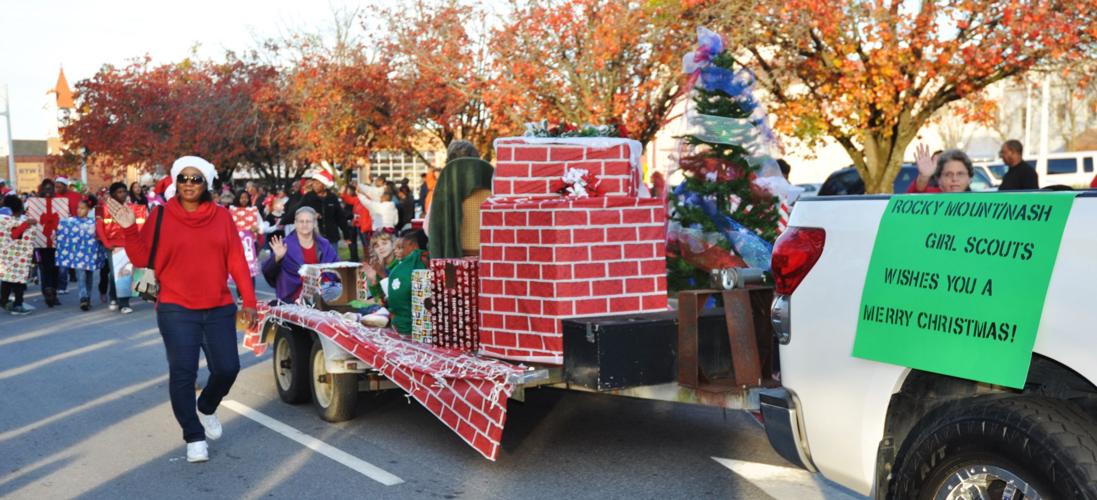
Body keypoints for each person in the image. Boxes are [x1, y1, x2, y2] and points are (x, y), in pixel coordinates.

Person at [107, 155, 258, 464]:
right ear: (176, 182)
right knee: (183, 373)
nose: (189, 184)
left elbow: (237, 262)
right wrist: (129, 229)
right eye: (183, 178)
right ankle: (193, 435)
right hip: (176, 308)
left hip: (218, 307)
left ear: (207, 183)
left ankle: (206, 408)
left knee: (228, 368)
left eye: (196, 178)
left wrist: (250, 301)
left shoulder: (222, 217)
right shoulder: (161, 216)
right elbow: (140, 259)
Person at [427, 140, 494, 259]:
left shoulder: (444, 187)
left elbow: (429, 228)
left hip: (453, 261)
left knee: (420, 275)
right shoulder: (490, 180)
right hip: (490, 256)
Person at [262, 206, 338, 303]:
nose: (304, 224)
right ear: (295, 223)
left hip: (324, 292)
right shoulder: (284, 244)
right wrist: (277, 258)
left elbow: (337, 268)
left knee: (354, 303)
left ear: (314, 223)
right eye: (301, 221)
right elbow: (268, 273)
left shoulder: (324, 244)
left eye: (308, 221)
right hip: (294, 297)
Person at [363, 231, 427, 336]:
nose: (381, 248)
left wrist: (382, 275)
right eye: (376, 246)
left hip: (400, 312)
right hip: (387, 306)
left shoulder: (401, 264)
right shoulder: (377, 267)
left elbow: (396, 297)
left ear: (392, 244)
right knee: (362, 304)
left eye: (384, 243)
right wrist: (373, 281)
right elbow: (379, 299)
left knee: (370, 307)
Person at [96, 182, 141, 313]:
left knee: (124, 272)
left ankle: (124, 303)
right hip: (113, 246)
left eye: (124, 192)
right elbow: (99, 227)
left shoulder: (132, 207)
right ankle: (113, 296)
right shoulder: (102, 208)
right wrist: (106, 243)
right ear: (113, 194)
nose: (122, 194)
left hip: (128, 244)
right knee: (113, 274)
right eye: (118, 192)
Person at [56, 196, 103, 311]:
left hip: (91, 255)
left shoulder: (94, 222)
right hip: (78, 256)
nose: (79, 210)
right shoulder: (71, 221)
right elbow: (61, 229)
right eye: (78, 208)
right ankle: (83, 298)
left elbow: (100, 235)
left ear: (89, 209)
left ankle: (88, 298)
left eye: (82, 208)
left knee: (89, 277)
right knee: (81, 276)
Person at [0, 195, 39, 315]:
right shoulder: (16, 221)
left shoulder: (4, 220)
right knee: (19, 282)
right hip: (18, 257)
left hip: (7, 255)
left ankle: (4, 301)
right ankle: (17, 304)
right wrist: (26, 223)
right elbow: (15, 235)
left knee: (7, 280)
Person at [908, 145, 974, 193]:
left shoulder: (980, 201)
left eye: (960, 174)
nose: (954, 179)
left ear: (969, 178)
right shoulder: (933, 196)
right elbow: (916, 194)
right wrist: (924, 176)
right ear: (939, 179)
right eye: (948, 174)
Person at [339, 183, 373, 263]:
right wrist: (346, 186)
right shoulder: (357, 199)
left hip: (366, 226)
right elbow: (345, 197)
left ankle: (369, 260)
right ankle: (366, 259)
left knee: (367, 244)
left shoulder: (368, 199)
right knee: (364, 244)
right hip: (358, 225)